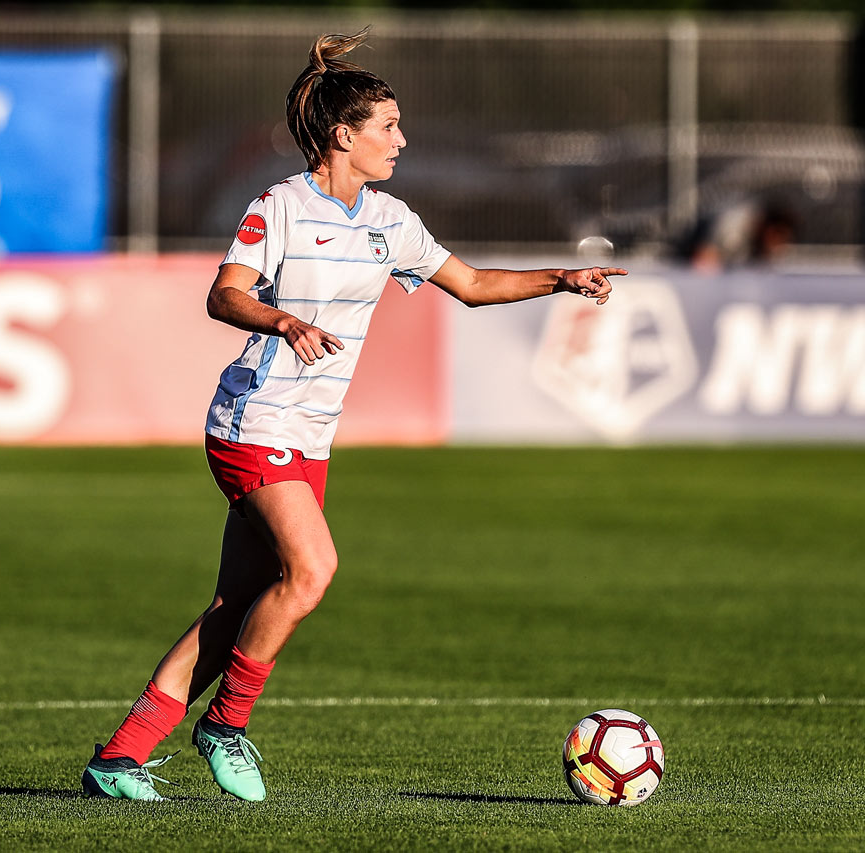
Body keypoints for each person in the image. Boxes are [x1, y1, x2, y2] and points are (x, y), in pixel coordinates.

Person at [81, 28, 624, 802]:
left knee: (236, 609)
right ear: (344, 134)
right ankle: (225, 726)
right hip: (253, 423)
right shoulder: (280, 206)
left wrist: (560, 279)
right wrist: (283, 321)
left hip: (309, 436)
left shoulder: (391, 220)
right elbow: (224, 293)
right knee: (313, 570)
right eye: (388, 127)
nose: (401, 140)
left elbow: (472, 285)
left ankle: (119, 756)